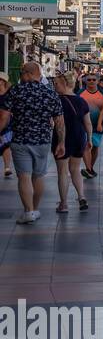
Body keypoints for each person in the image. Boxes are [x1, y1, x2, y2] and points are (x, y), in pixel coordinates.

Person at [0, 62, 65, 223]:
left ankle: (28, 211)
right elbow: (59, 121)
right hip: (42, 141)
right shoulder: (50, 93)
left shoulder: (15, 91)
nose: (21, 76)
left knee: (24, 177)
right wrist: (61, 142)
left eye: (22, 73)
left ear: (28, 73)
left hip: (20, 141)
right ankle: (35, 209)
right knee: (39, 176)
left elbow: (4, 117)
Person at [52, 72, 91, 213]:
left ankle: (64, 204)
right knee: (75, 170)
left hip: (62, 138)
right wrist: (90, 139)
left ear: (65, 84)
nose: (54, 86)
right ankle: (81, 197)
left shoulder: (56, 100)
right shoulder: (81, 101)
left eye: (56, 83)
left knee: (62, 172)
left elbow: (53, 122)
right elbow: (88, 123)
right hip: (79, 137)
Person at [76, 72, 103, 178]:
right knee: (86, 145)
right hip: (83, 125)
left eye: (93, 80)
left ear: (98, 81)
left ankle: (90, 167)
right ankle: (89, 169)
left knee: (95, 146)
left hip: (97, 125)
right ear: (85, 81)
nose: (91, 81)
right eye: (89, 79)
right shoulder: (80, 93)